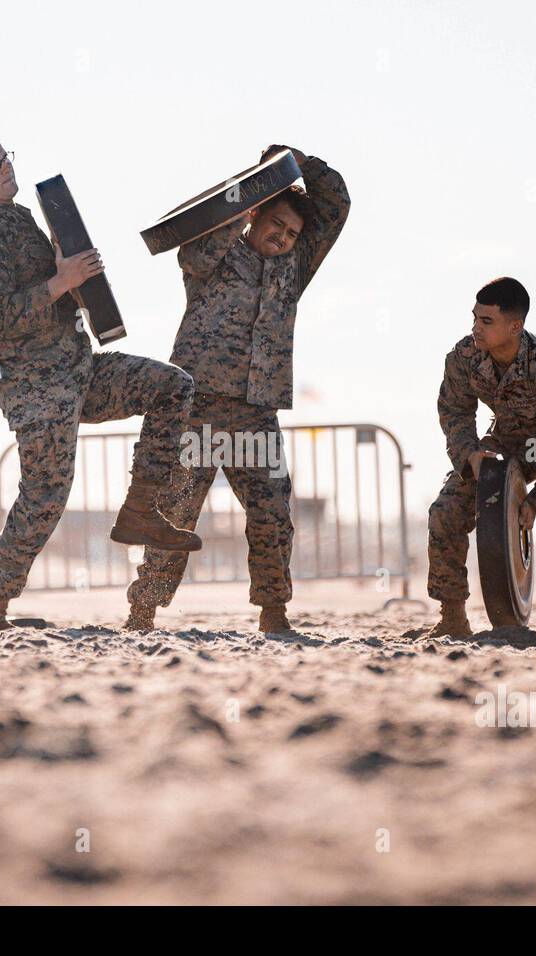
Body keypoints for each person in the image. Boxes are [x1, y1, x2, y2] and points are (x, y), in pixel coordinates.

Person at [0, 131, 201, 632]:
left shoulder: (17, 217)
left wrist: (81, 280)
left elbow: (54, 294)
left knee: (171, 386)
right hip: (36, 385)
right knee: (44, 496)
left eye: (5, 159)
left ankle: (140, 509)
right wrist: (62, 281)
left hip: (77, 367)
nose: (6, 170)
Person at [125, 144, 349, 634]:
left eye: (292, 233)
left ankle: (274, 612)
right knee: (176, 512)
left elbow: (337, 205)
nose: (283, 236)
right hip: (195, 408)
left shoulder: (295, 268)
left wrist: (295, 161)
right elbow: (195, 242)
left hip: (256, 413)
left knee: (272, 512)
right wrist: (254, 189)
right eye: (276, 225)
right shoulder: (211, 257)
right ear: (254, 216)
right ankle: (142, 612)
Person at [425, 277, 536, 641]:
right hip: (510, 441)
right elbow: (454, 411)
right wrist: (471, 455)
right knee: (444, 511)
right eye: (474, 318)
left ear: (515, 326)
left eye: (486, 321)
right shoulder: (465, 356)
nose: (475, 327)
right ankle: (452, 616)